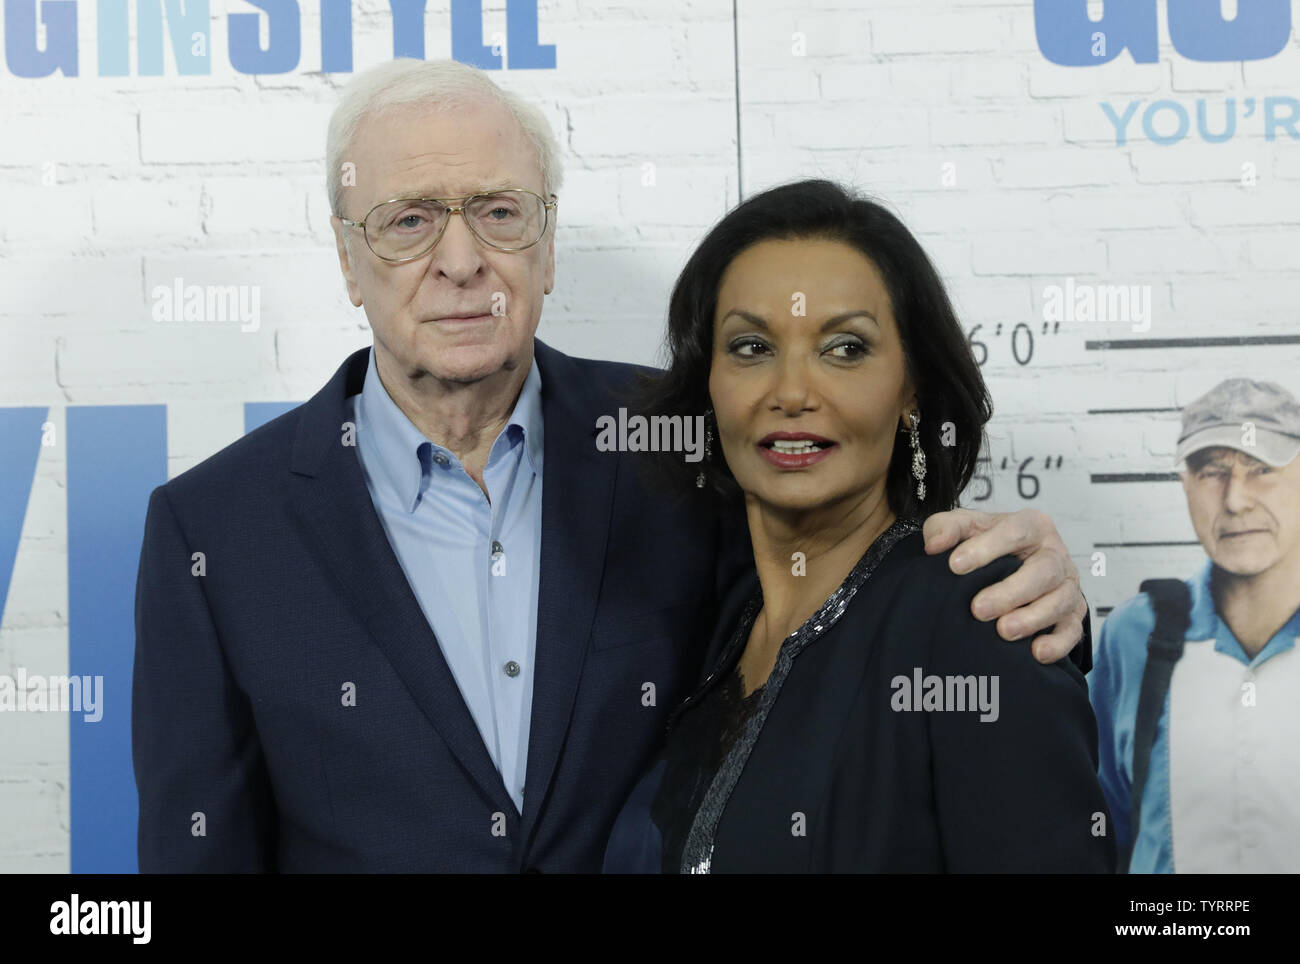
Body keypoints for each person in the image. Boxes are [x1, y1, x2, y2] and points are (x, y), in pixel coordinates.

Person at [132, 58, 1091, 873]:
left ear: (547, 245)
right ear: (348, 260)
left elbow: (852, 585)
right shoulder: (214, 532)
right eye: (409, 220)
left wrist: (1035, 587)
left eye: (499, 212)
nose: (461, 259)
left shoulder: (687, 444)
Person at [603, 179, 1114, 873]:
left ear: (911, 387)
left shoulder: (978, 618)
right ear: (707, 384)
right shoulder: (718, 623)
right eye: (751, 347)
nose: (791, 393)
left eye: (844, 348)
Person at [1090, 378, 1300, 873]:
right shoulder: (1133, 634)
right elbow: (1100, 825)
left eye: (1261, 469)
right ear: (1185, 483)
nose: (1235, 501)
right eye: (1213, 471)